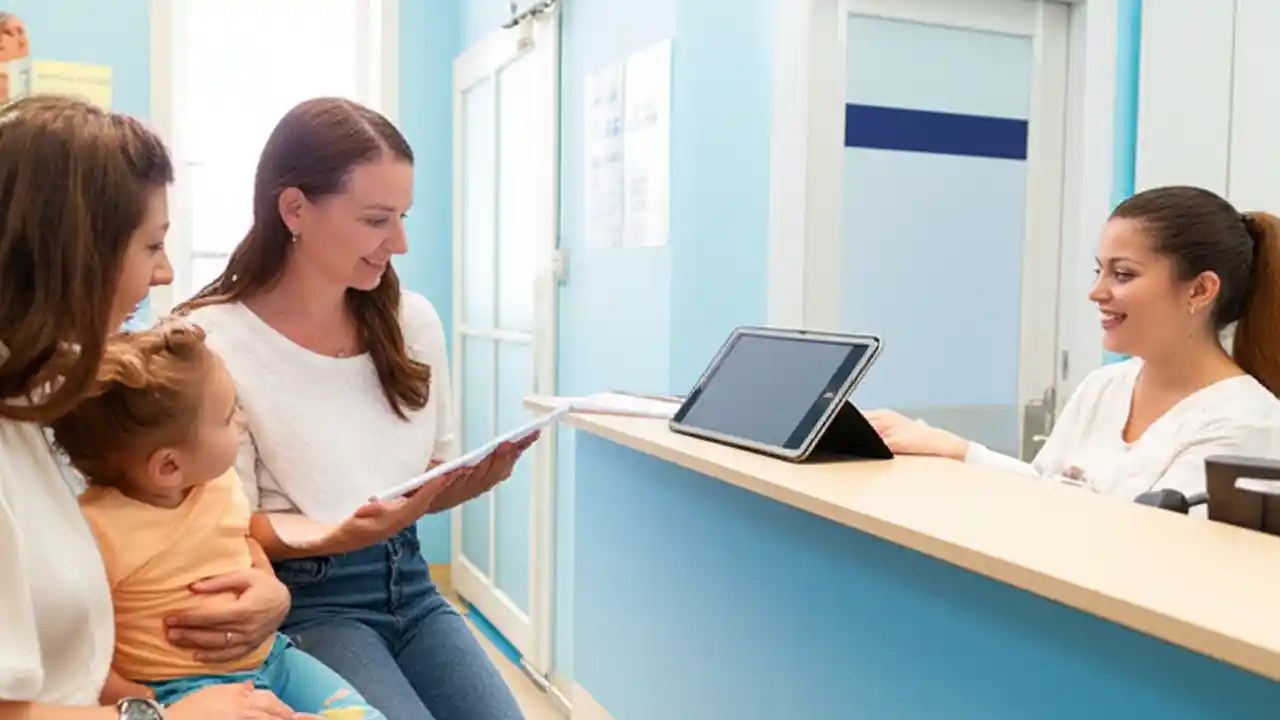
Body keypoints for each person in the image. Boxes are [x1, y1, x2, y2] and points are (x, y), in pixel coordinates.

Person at [177, 97, 530, 719]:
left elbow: (424, 474)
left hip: (412, 583)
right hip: (307, 596)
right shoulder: (211, 341)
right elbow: (220, 526)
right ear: (294, 209)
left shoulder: (410, 321)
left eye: (402, 217)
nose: (399, 242)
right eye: (376, 220)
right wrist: (335, 534)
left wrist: (465, 482)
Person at [0, 96, 299, 718]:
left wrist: (268, 590)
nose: (163, 275)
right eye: (150, 246)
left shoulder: (53, 398)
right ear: (74, 253)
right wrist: (160, 715)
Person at [50, 324, 386, 719]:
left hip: (273, 660)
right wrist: (140, 700)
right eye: (228, 416)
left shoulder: (219, 485)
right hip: (181, 691)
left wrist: (266, 579)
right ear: (169, 466)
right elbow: (80, 645)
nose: (242, 421)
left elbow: (240, 543)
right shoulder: (97, 529)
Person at [867, 185, 1280, 502]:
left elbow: (1152, 547)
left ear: (1200, 290)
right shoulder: (1104, 387)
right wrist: (952, 450)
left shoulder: (1247, 422)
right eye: (1099, 271)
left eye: (1123, 274)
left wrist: (964, 453)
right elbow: (1043, 494)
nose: (1096, 292)